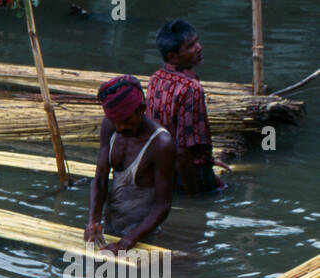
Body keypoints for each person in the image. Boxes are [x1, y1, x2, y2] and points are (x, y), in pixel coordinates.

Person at [85, 75, 175, 253]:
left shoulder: (161, 144)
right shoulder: (109, 126)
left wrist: (127, 242)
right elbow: (100, 179)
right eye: (115, 122)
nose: (120, 128)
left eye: (126, 120)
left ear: (141, 108)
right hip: (111, 227)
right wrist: (94, 221)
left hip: (144, 236)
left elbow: (162, 205)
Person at [148, 18, 223, 195]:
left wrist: (209, 160)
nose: (199, 47)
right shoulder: (191, 89)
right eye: (191, 45)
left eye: (197, 41)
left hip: (161, 170)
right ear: (173, 56)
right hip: (188, 172)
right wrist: (194, 195)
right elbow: (183, 152)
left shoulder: (156, 78)